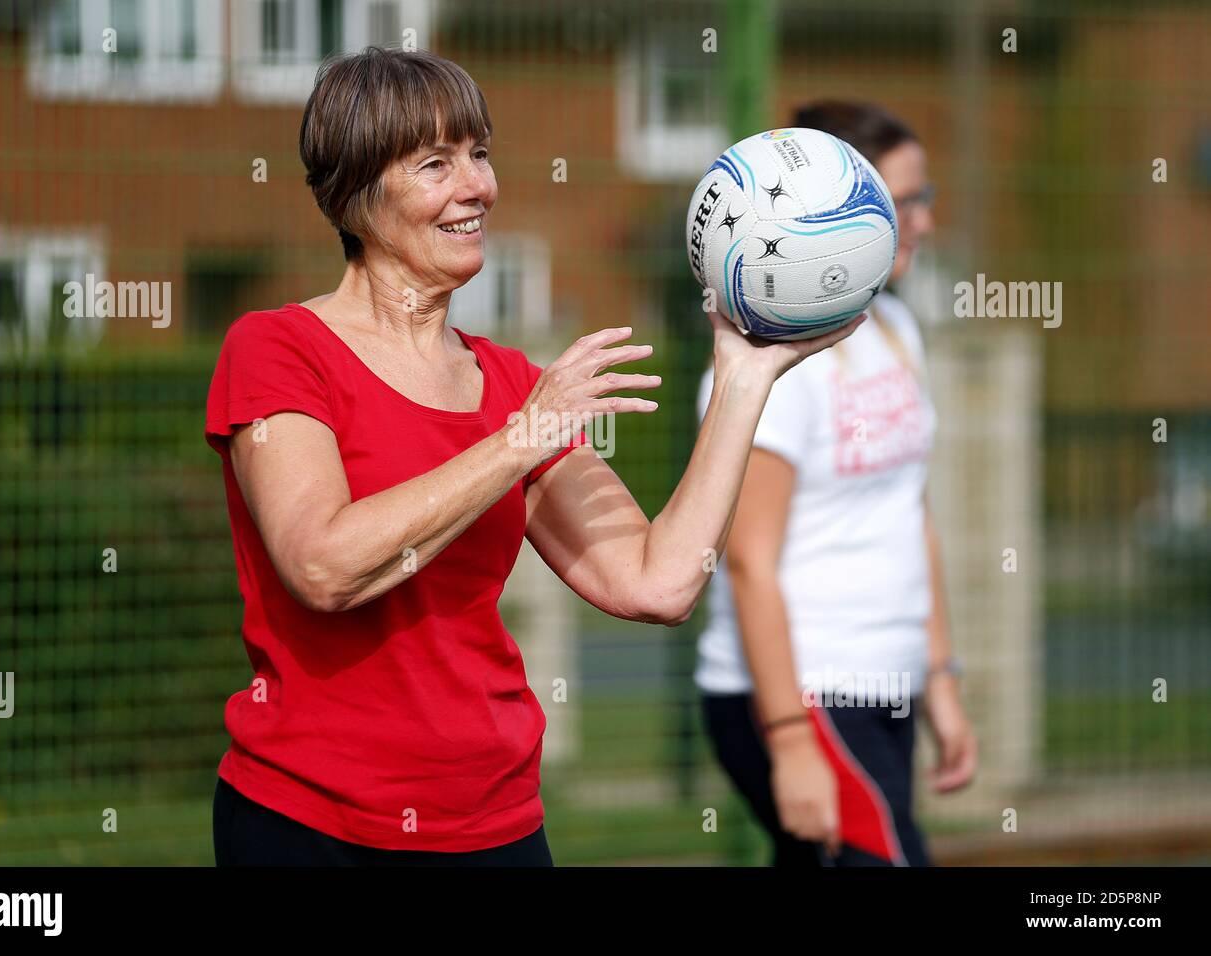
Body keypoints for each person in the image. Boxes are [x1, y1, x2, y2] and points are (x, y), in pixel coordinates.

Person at [204, 47, 863, 866]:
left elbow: (658, 582)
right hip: (311, 829)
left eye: (479, 154)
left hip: (498, 827)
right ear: (357, 193)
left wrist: (744, 376)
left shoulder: (512, 384)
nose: (476, 186)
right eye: (434, 164)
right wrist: (520, 440)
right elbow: (323, 566)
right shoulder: (277, 349)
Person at [696, 101, 978, 867]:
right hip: (803, 694)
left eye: (925, 198)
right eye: (902, 201)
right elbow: (749, 560)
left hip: (886, 683)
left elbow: (910, 516)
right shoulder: (772, 367)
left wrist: (941, 680)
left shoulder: (895, 328)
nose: (919, 221)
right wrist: (788, 740)